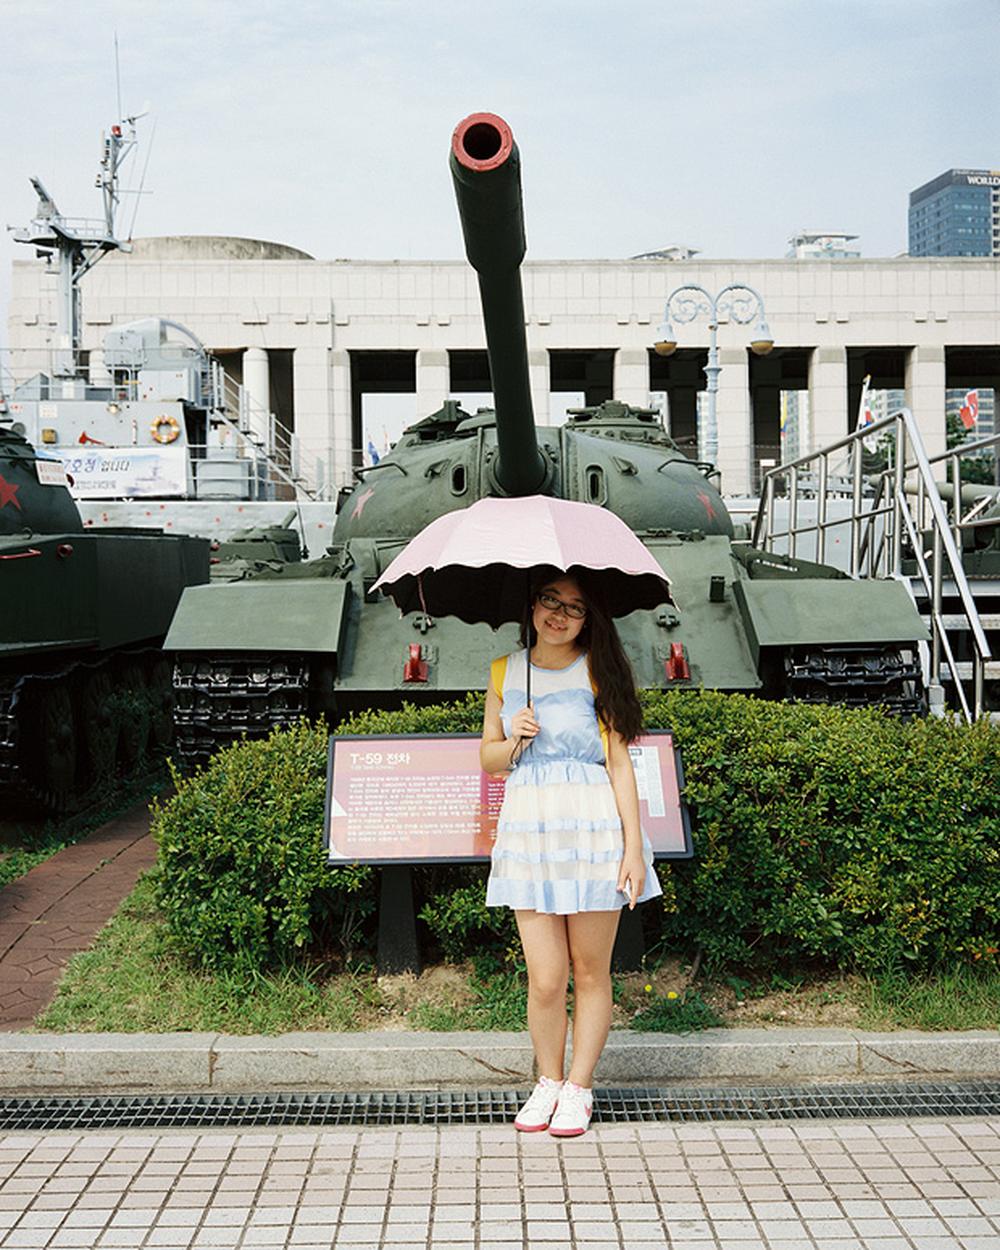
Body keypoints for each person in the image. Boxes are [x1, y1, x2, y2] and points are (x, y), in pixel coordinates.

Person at [480, 566, 661, 1137]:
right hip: (530, 830)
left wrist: (635, 850)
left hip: (592, 828)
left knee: (590, 971)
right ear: (531, 606)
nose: (558, 614)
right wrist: (515, 739)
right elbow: (487, 757)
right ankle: (548, 1082)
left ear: (590, 619)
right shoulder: (505, 671)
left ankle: (579, 1088)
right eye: (548, 600)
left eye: (574, 607)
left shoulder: (597, 672)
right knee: (545, 978)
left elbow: (618, 765)